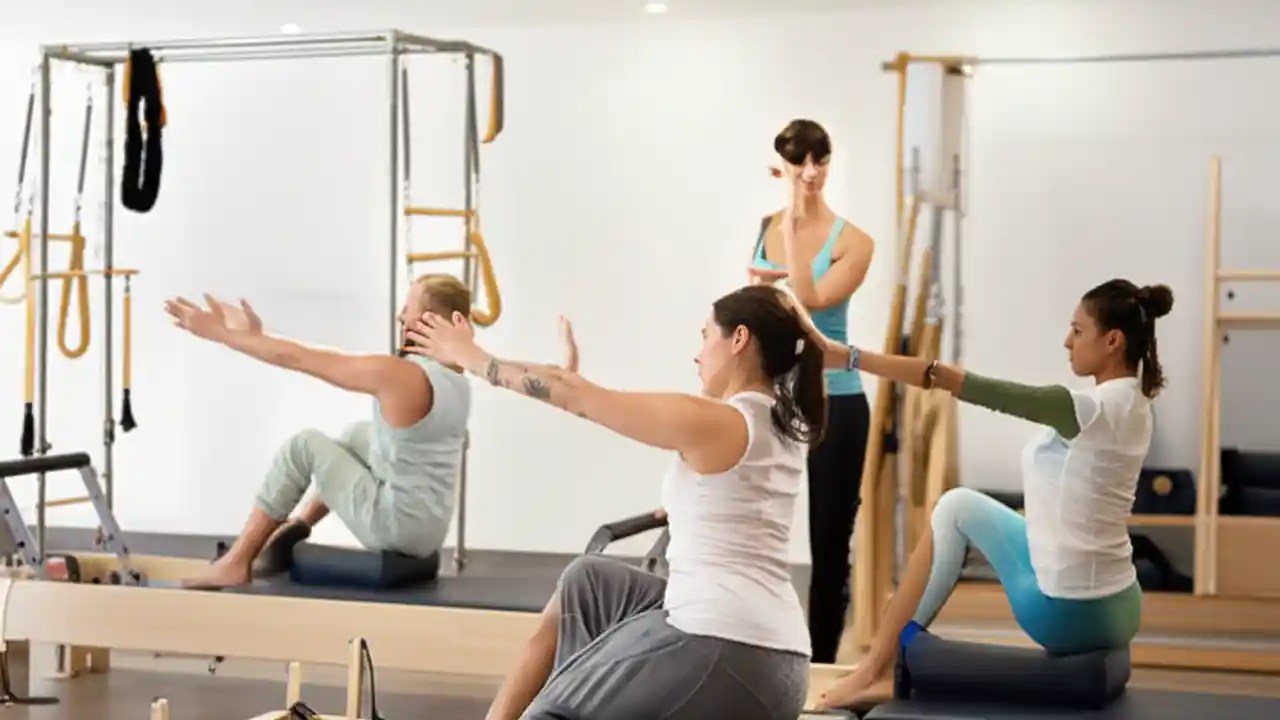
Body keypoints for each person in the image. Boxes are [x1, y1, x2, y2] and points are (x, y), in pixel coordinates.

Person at [403, 284, 827, 720]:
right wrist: (561, 379)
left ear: (738, 339)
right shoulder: (777, 419)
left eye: (705, 335)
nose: (697, 352)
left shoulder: (720, 421)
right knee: (587, 583)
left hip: (727, 648)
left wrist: (469, 356)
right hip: (774, 657)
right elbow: (572, 391)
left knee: (549, 717)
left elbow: (581, 397)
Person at [800, 278, 1173, 710]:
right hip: (1123, 606)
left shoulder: (1084, 410)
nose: (1066, 342)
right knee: (962, 504)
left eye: (1077, 330)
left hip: (1068, 615)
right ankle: (879, 666)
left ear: (1113, 340)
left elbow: (949, 380)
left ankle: (872, 670)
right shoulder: (1140, 406)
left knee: (954, 508)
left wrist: (850, 357)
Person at [162, 274, 475, 589]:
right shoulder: (457, 382)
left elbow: (300, 358)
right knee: (358, 435)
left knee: (304, 446)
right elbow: (303, 351)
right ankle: (296, 527)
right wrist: (258, 335)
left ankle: (235, 563)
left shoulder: (402, 375)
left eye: (408, 307)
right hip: (429, 531)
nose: (400, 316)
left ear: (428, 320)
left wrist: (218, 333)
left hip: (394, 528)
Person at [748, 118, 876, 663]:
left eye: (819, 160)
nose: (810, 171)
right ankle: (759, 650)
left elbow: (808, 302)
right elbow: (754, 312)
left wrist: (798, 226)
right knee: (755, 532)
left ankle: (820, 666)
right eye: (799, 161)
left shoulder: (855, 241)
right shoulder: (765, 226)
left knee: (828, 543)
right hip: (773, 398)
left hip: (838, 400)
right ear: (782, 165)